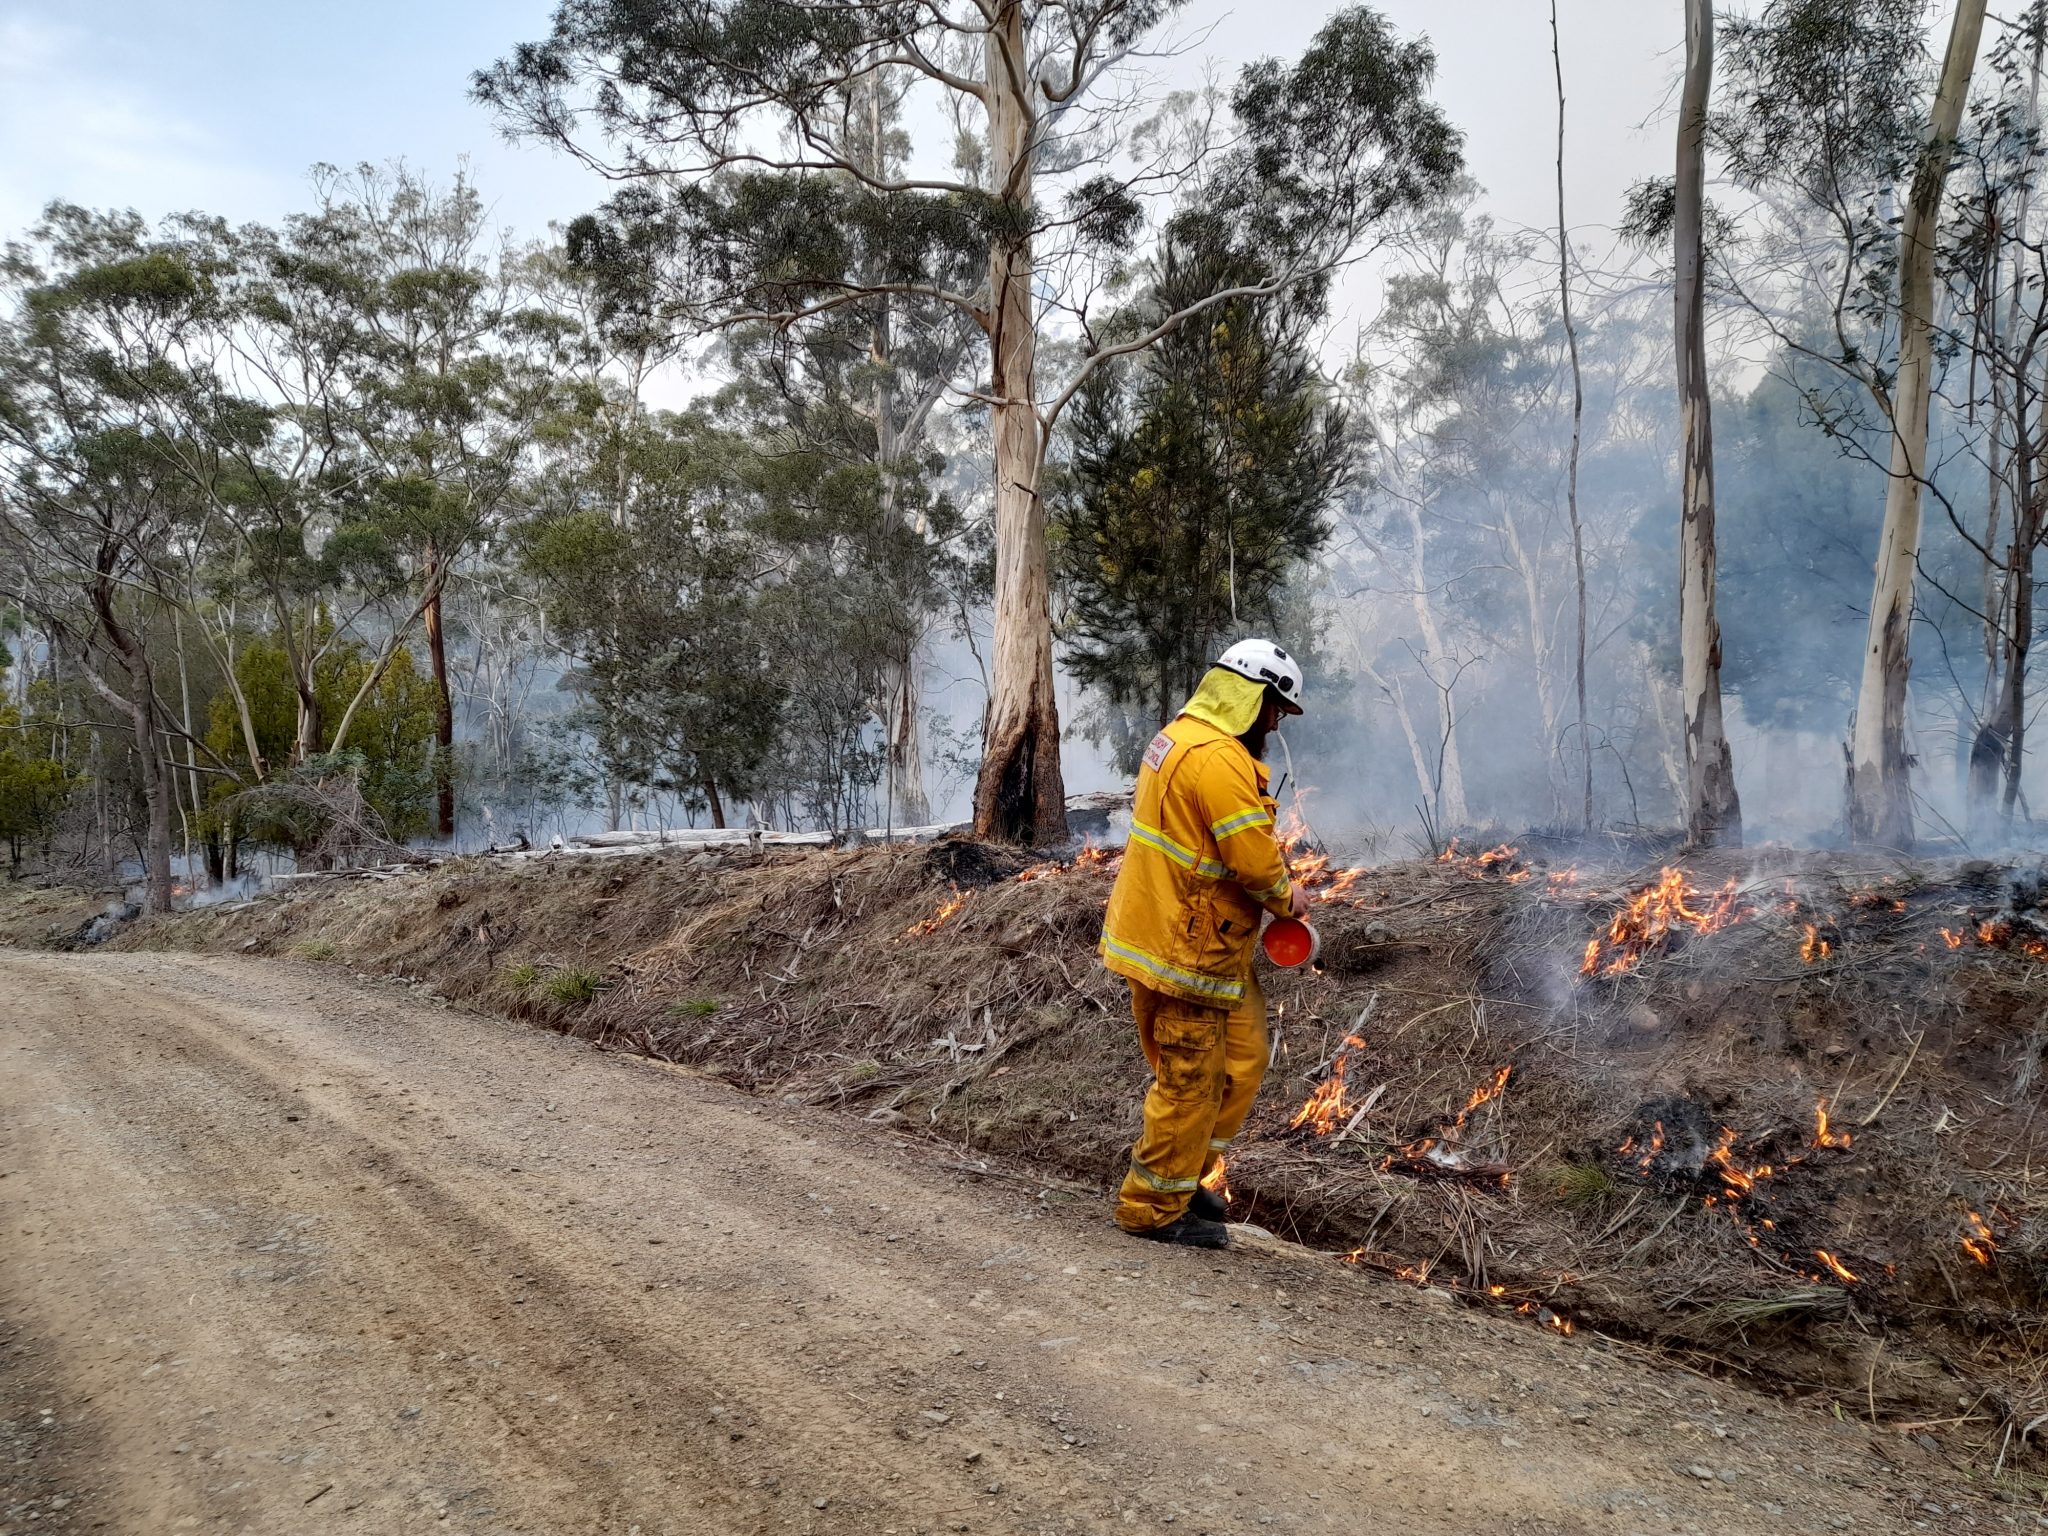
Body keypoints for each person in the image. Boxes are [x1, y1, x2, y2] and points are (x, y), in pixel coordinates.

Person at [1099, 639, 1310, 1249]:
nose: (1274, 721)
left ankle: (1183, 1175)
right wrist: (1286, 896)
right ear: (1249, 696)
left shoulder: (1178, 738)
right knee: (1191, 1077)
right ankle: (1151, 1207)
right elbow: (1249, 857)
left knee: (1243, 1060)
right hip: (1184, 949)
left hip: (1192, 942)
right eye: (1274, 707)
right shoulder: (1217, 758)